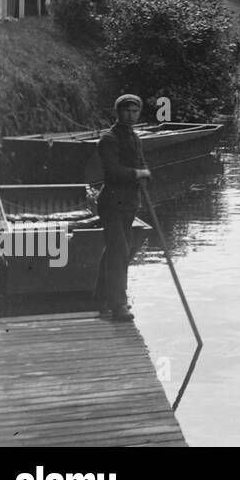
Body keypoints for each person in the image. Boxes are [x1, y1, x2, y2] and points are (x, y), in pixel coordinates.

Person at [93, 94, 151, 321]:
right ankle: (119, 305)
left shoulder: (135, 138)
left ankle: (101, 297)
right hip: (111, 203)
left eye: (135, 111)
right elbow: (112, 172)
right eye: (126, 111)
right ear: (117, 112)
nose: (131, 115)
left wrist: (145, 176)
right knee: (119, 251)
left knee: (116, 249)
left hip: (129, 203)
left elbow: (141, 163)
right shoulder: (109, 139)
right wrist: (137, 174)